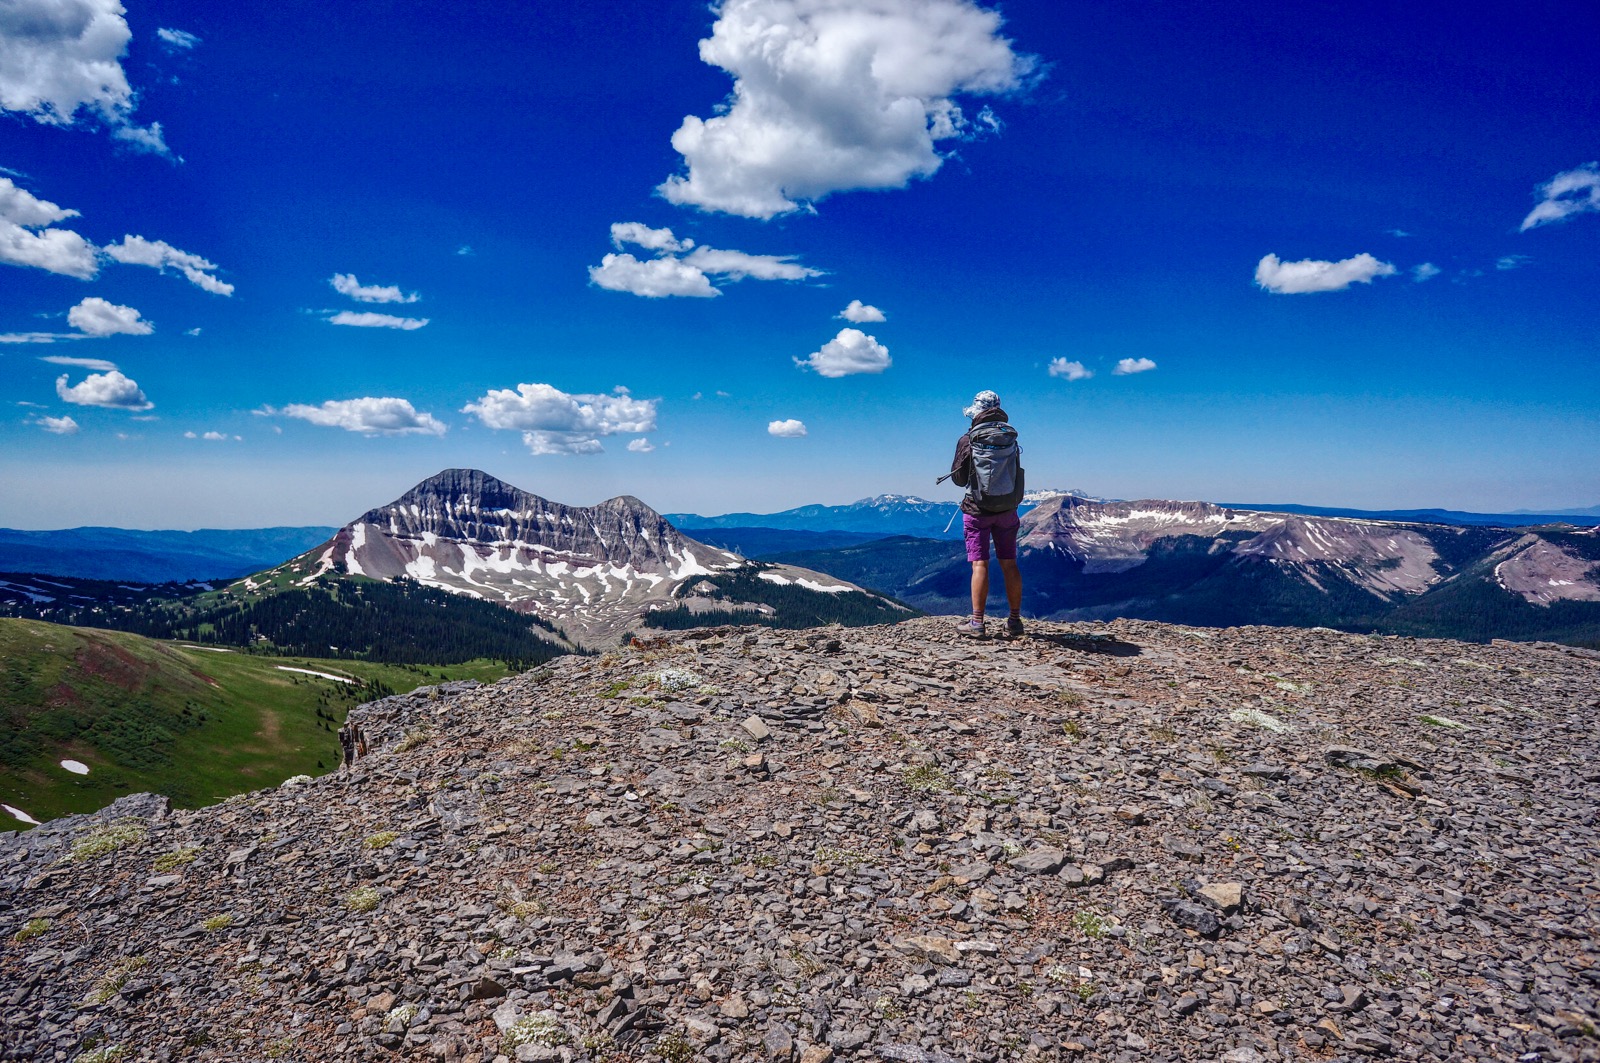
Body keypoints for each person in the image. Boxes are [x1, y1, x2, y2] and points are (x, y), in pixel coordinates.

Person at [947, 390, 1024, 637]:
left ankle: (977, 623)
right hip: (1007, 508)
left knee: (980, 564)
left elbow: (959, 479)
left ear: (976, 412)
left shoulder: (968, 438)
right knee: (1009, 563)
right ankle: (1014, 621)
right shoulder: (1009, 437)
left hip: (977, 509)